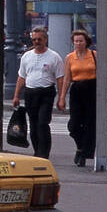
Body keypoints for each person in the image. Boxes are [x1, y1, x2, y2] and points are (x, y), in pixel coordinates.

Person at [12, 28, 64, 160]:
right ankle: (37, 151)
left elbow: (60, 78)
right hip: (30, 92)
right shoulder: (27, 56)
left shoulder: (54, 57)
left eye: (39, 39)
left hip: (46, 92)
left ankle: (44, 152)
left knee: (42, 123)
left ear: (45, 40)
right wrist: (16, 96)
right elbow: (21, 77)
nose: (36, 42)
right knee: (33, 123)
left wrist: (61, 98)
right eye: (34, 39)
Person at [59, 29, 96, 167]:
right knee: (74, 125)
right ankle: (80, 147)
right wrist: (62, 97)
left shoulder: (94, 55)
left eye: (81, 41)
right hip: (77, 90)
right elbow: (67, 78)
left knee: (89, 123)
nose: (78, 43)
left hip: (91, 89)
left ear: (86, 42)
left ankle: (85, 153)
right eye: (76, 41)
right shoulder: (70, 57)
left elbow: (101, 74)